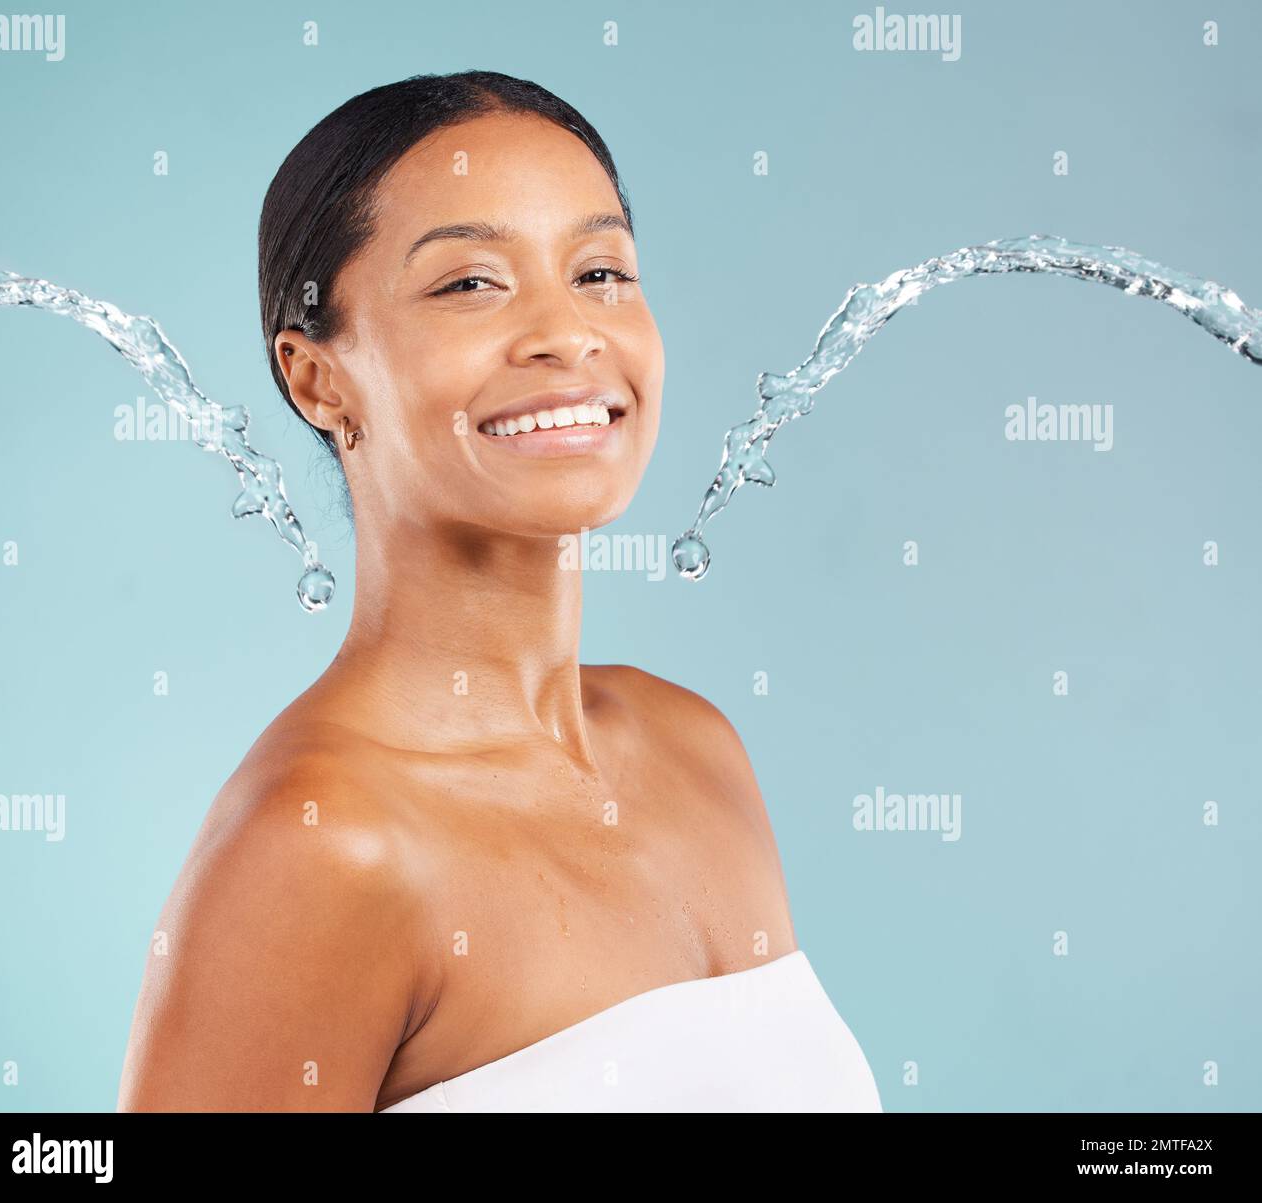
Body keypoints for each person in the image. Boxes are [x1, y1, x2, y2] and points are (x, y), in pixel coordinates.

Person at [117, 70, 880, 1113]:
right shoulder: (322, 844)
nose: (567, 333)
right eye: (470, 284)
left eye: (602, 271)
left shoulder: (691, 747)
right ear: (316, 379)